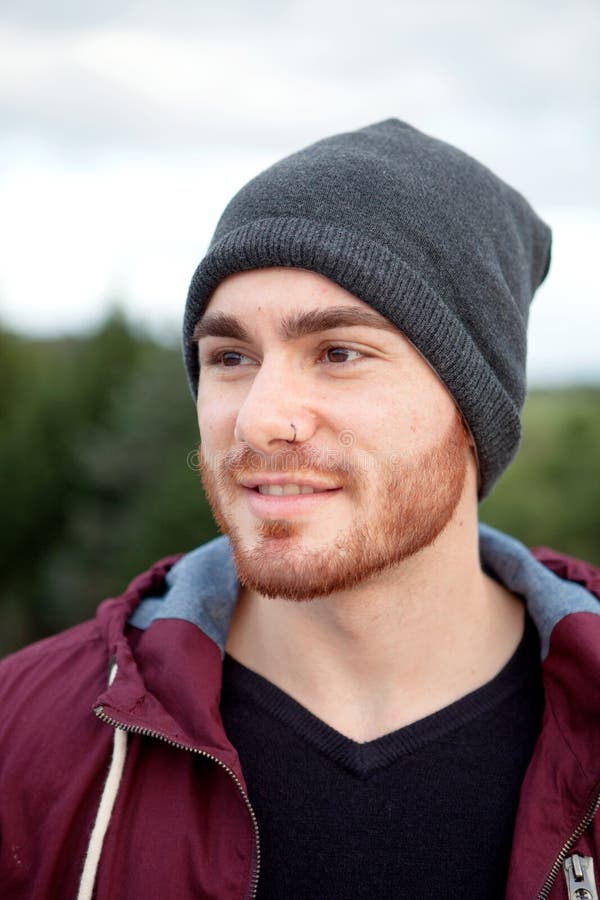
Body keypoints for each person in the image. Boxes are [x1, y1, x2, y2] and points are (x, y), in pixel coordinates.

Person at [1, 120, 599, 900]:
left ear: (474, 407)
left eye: (339, 353)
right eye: (230, 358)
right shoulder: (26, 737)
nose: (257, 418)